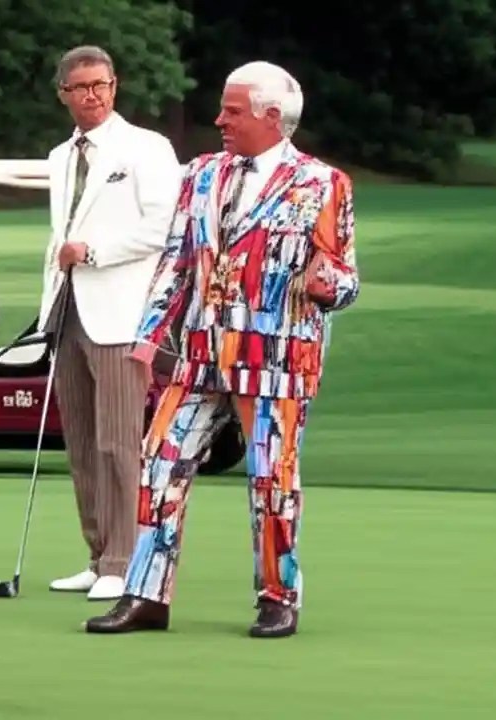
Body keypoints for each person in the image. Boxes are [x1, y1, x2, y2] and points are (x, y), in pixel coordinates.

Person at [85, 61, 360, 638]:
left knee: (272, 479)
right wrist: (148, 339)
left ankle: (277, 597)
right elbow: (177, 264)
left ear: (270, 117)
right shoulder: (202, 175)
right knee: (160, 462)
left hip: (277, 360)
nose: (219, 120)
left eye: (232, 112)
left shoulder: (322, 184)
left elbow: (346, 277)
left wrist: (325, 285)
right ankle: (147, 595)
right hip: (199, 355)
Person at [38, 46, 183, 601]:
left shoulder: (146, 147)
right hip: (70, 310)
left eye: (101, 85)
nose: (93, 95)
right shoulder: (59, 156)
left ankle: (124, 561)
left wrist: (91, 250)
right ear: (64, 95)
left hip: (122, 313)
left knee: (119, 442)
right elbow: (58, 238)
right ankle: (98, 554)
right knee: (81, 441)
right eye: (81, 88)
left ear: (114, 87)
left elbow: (163, 227)